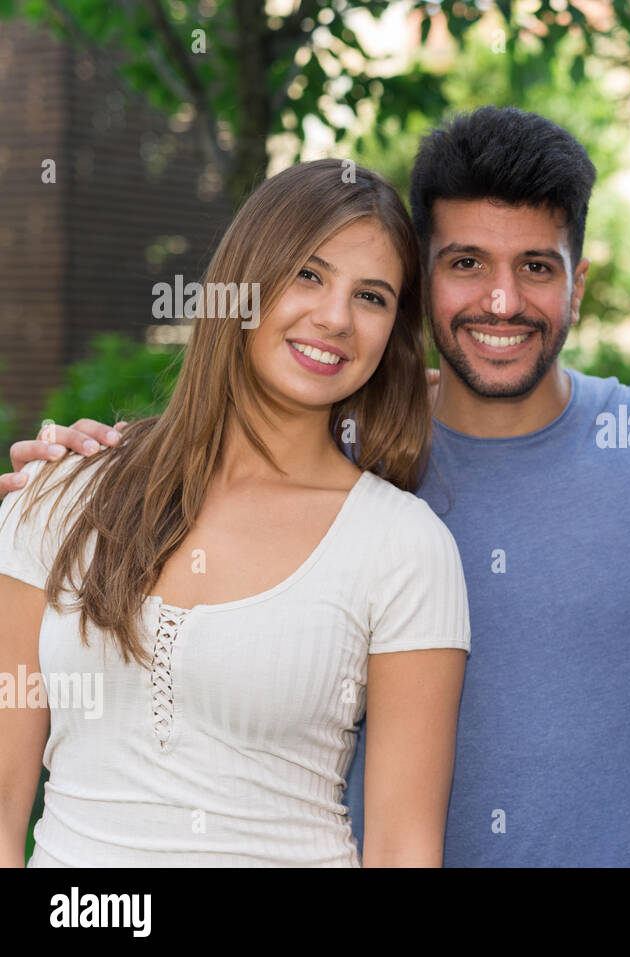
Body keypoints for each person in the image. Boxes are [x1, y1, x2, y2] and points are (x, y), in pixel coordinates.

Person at [3, 108, 630, 866]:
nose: (501, 300)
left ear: (579, 284)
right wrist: (87, 466)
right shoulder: (343, 446)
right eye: (465, 264)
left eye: (535, 267)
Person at [0, 160, 470, 867]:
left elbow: (404, 849)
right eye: (308, 275)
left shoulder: (406, 548)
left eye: (371, 297)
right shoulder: (63, 491)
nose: (336, 317)